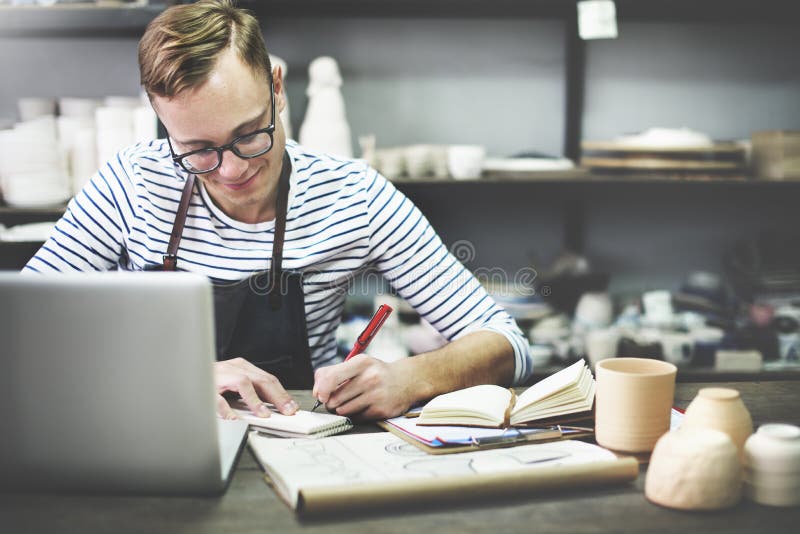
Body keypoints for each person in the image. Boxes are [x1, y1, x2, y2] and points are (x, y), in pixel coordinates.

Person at [24, 0, 532, 421]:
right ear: (160, 118)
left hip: (303, 442)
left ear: (278, 88)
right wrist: (178, 377)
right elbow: (21, 333)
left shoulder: (354, 197)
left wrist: (411, 376)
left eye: (249, 135)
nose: (231, 170)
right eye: (198, 149)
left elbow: (508, 343)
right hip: (151, 435)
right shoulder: (131, 183)